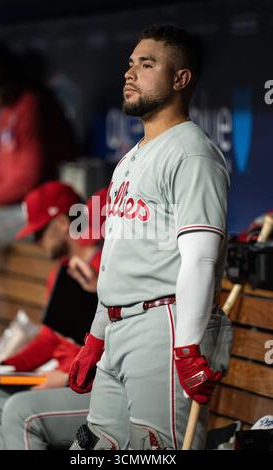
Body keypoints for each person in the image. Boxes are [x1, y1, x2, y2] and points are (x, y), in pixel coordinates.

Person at [69, 24, 233, 450]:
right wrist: (95, 335)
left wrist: (188, 349)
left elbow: (200, 259)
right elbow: (120, 260)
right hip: (120, 326)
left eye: (147, 64)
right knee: (95, 450)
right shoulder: (130, 158)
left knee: (153, 452)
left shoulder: (192, 153)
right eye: (130, 64)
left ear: (181, 79)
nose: (130, 73)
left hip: (163, 326)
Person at [0, 181, 106, 449]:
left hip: (90, 383)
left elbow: (109, 345)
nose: (35, 242)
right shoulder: (63, 272)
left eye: (39, 232)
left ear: (60, 223)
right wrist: (2, 368)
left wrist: (68, 375)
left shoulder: (102, 269)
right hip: (66, 376)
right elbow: (50, 338)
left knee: (17, 412)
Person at [0, 41, 76, 254]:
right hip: (15, 208)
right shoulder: (5, 113)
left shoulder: (32, 104)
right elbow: (2, 175)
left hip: (42, 211)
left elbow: (27, 180)